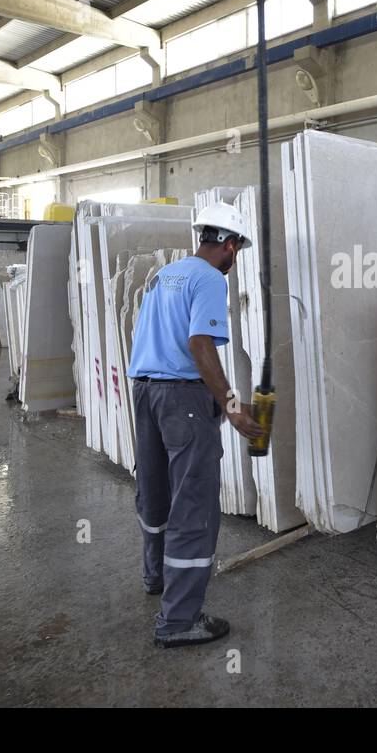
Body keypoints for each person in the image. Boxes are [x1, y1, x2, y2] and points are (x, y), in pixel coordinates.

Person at [126, 202, 264, 648]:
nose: (234, 259)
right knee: (194, 504)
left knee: (156, 491)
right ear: (227, 244)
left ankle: (157, 578)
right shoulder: (209, 278)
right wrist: (232, 405)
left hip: (145, 392)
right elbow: (200, 344)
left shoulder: (166, 275)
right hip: (182, 400)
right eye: (237, 249)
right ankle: (179, 620)